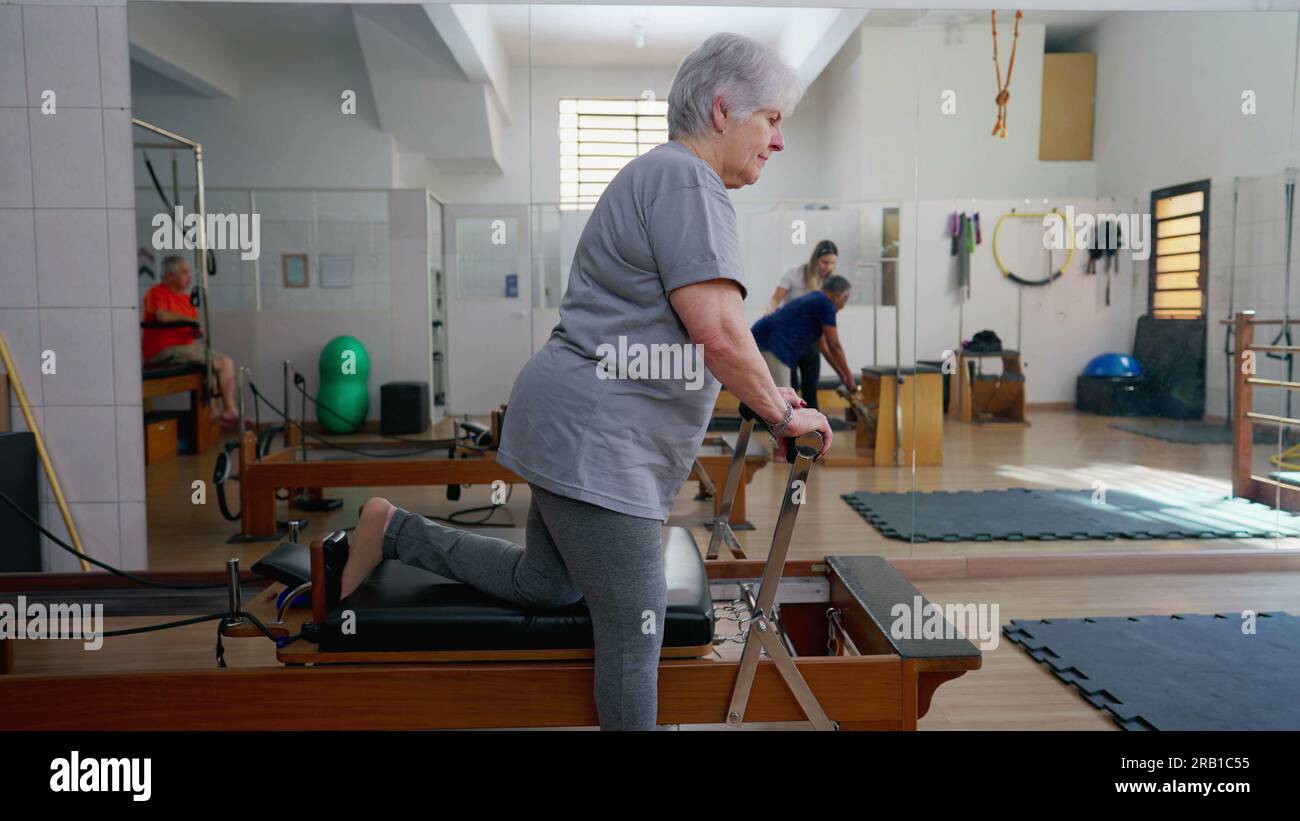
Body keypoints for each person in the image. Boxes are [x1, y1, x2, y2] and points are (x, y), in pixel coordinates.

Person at [338, 32, 832, 731]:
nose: (778, 141)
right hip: (598, 441)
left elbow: (710, 331)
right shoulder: (688, 180)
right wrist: (784, 417)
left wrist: (776, 397)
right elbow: (718, 333)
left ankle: (395, 529)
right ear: (723, 111)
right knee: (636, 627)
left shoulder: (667, 176)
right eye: (772, 119)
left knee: (544, 582)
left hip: (579, 427)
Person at [141, 256, 240, 427]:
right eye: (185, 273)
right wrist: (191, 321)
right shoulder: (156, 292)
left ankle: (227, 410)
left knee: (227, 363)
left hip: (187, 346)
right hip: (163, 350)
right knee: (215, 365)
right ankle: (216, 412)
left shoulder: (186, 299)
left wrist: (197, 331)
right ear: (170, 275)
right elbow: (162, 316)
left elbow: (192, 329)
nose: (190, 277)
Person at [752, 275, 857, 397]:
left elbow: (825, 348)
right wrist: (850, 378)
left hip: (760, 339)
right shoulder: (826, 303)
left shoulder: (816, 299)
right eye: (845, 300)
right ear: (837, 295)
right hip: (773, 346)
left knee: (762, 396)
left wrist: (842, 376)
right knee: (783, 402)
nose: (843, 306)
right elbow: (835, 346)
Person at [767, 240, 838, 409]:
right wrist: (772, 311)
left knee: (811, 387)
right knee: (791, 388)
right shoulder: (794, 273)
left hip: (810, 341)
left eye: (832, 263)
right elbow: (776, 299)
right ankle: (790, 427)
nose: (827, 267)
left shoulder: (830, 284)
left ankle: (813, 429)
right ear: (815, 259)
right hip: (788, 341)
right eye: (824, 262)